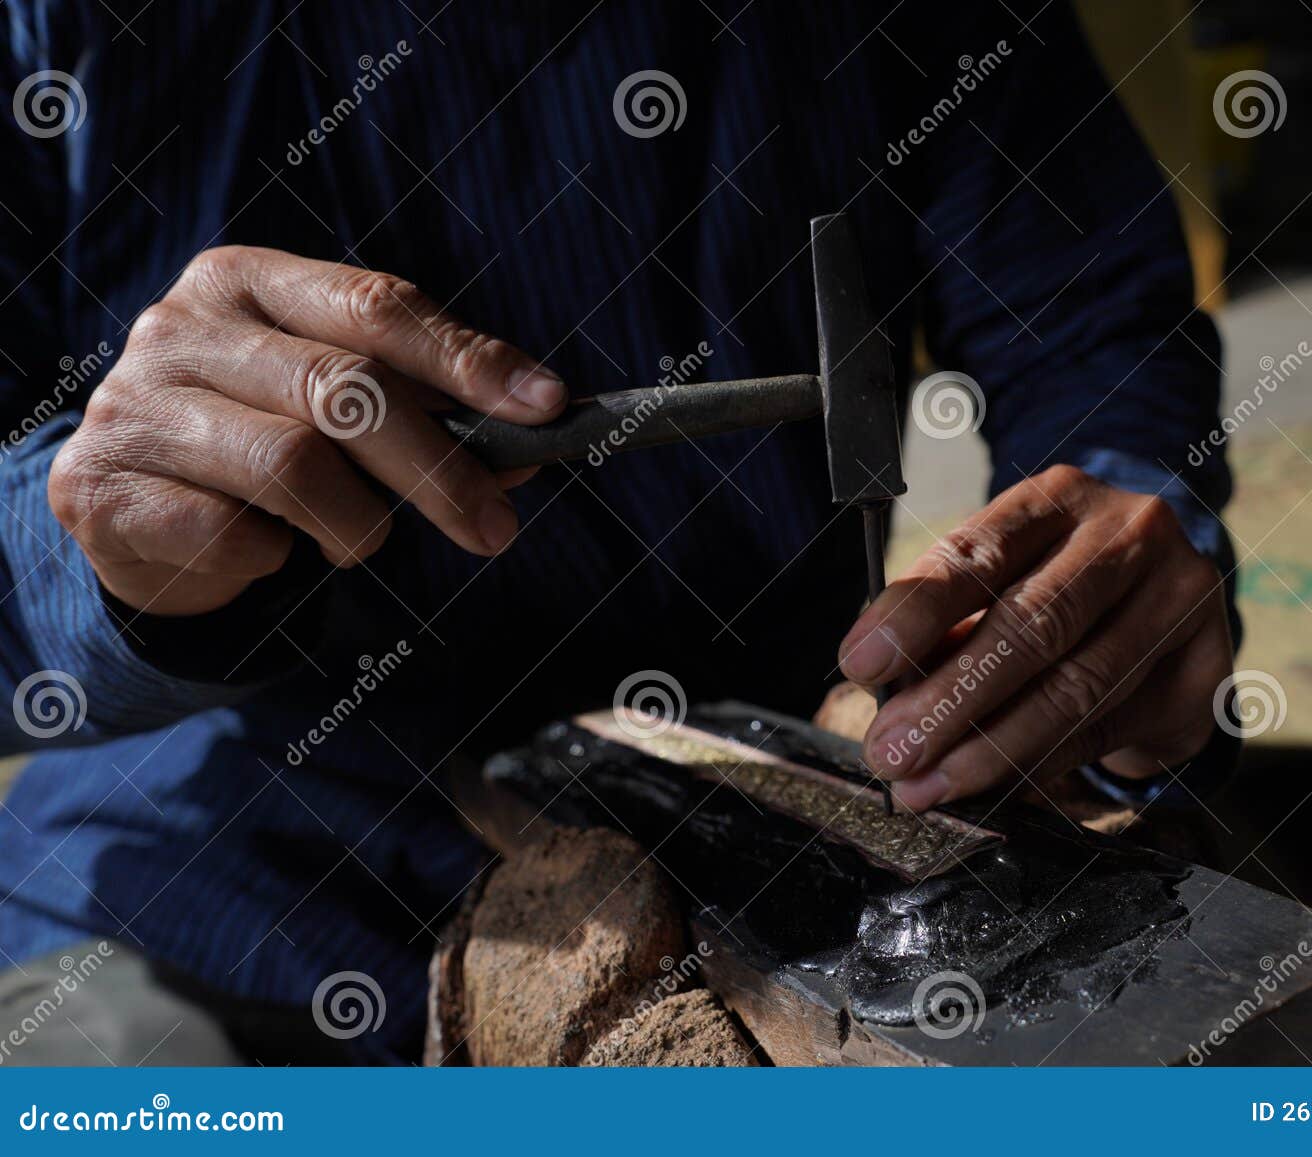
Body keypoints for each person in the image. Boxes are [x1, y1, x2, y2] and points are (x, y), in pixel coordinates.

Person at [0, 1, 1235, 1062]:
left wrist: (1116, 532)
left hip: (768, 816)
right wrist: (99, 546)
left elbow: (1090, 333)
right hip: (228, 864)